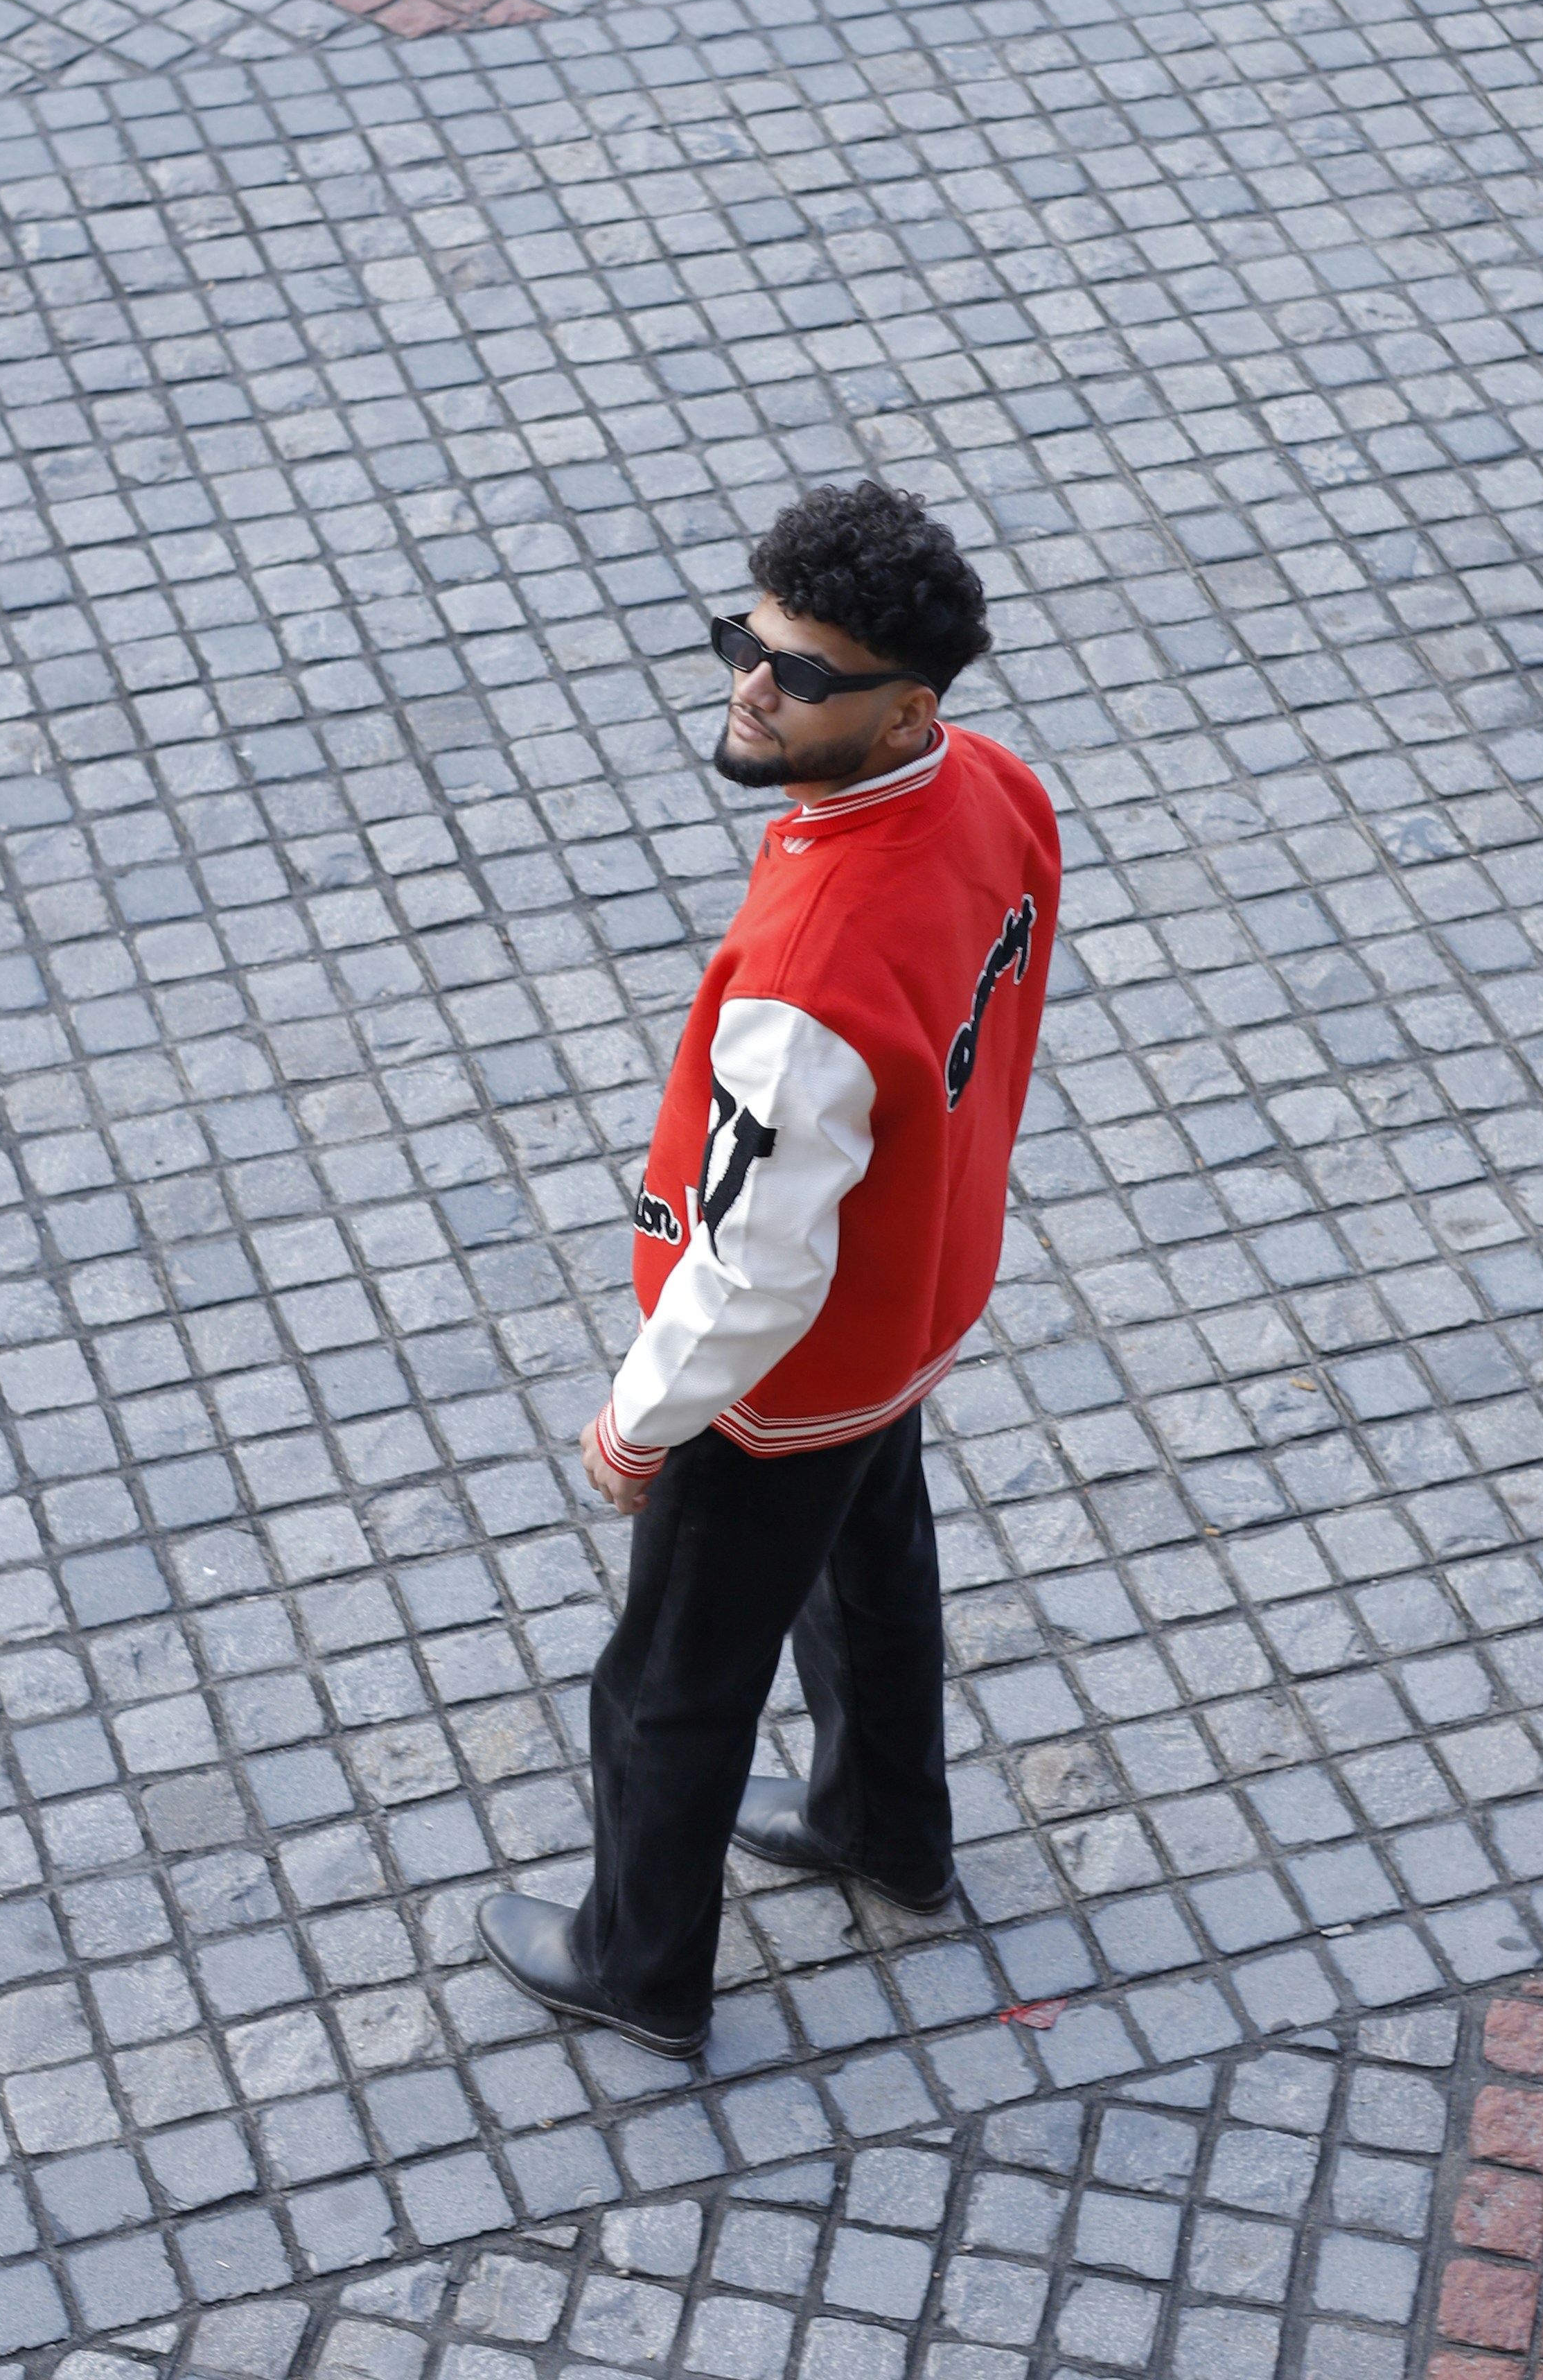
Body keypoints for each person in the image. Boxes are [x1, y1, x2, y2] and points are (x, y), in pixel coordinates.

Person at [477, 481, 1062, 2058]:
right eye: (750, 640)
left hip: (783, 1375)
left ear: (902, 710)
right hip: (911, 1307)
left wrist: (641, 1420)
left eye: (800, 674)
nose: (752, 681)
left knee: (671, 1673)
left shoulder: (808, 967)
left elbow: (751, 1258)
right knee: (874, 1577)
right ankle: (888, 1829)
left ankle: (638, 1961)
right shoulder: (995, 789)